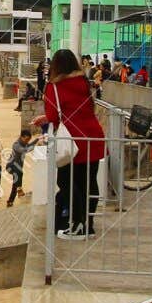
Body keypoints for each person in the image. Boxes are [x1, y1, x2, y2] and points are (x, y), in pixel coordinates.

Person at [44, 48, 107, 238]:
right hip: (93, 136)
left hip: (73, 142)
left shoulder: (53, 87)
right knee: (89, 183)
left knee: (66, 181)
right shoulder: (83, 82)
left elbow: (54, 116)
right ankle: (89, 224)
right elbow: (82, 108)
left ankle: (79, 225)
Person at [5, 128, 35, 207]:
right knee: (19, 172)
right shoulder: (16, 144)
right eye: (26, 139)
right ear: (22, 137)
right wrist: (35, 146)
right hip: (11, 166)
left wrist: (37, 140)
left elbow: (29, 145)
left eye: (29, 139)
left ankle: (10, 201)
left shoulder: (24, 143)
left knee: (15, 182)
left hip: (17, 168)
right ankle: (19, 189)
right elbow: (24, 150)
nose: (27, 141)